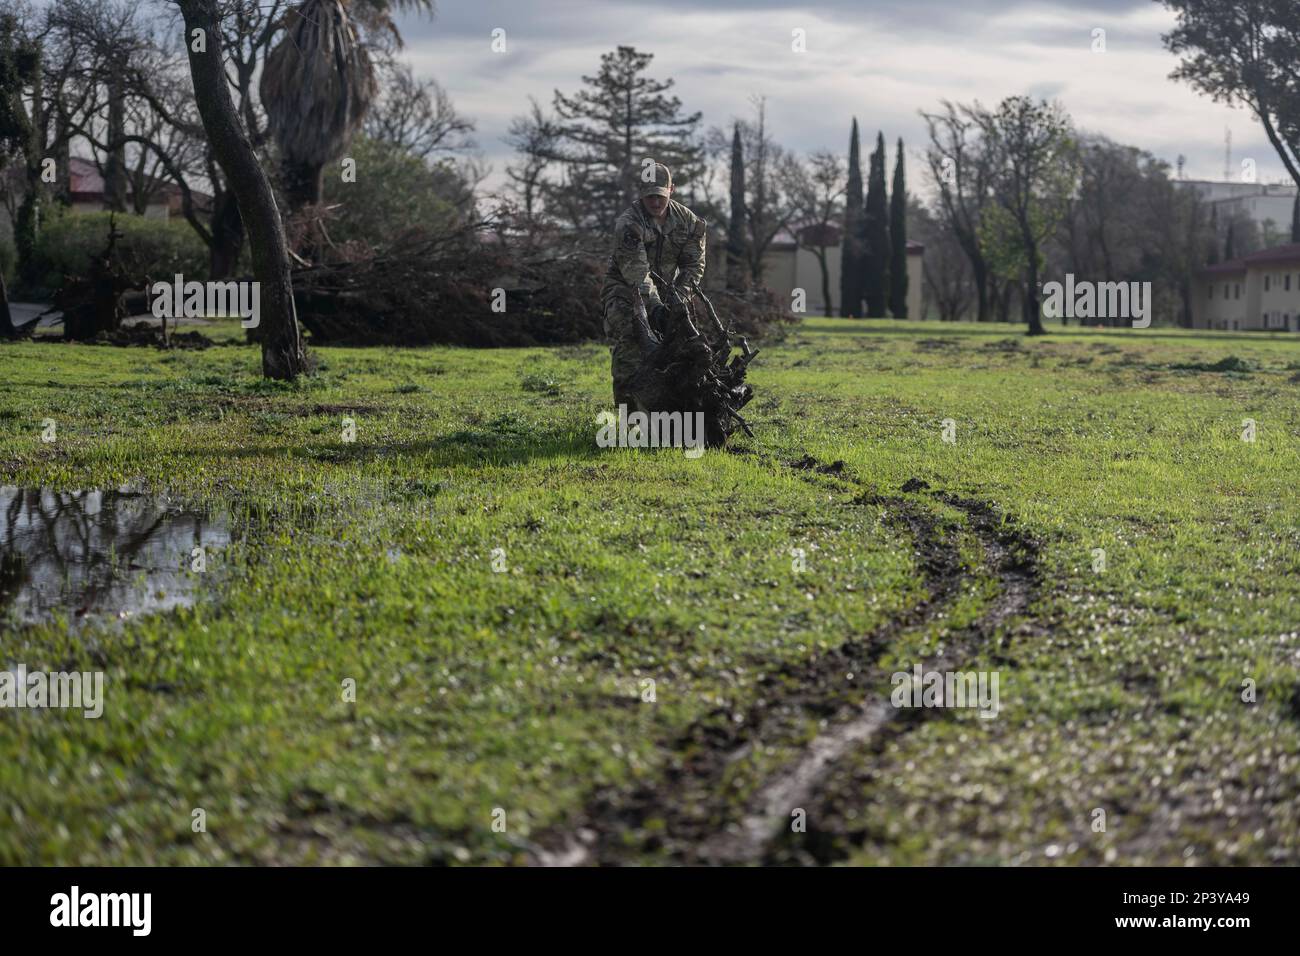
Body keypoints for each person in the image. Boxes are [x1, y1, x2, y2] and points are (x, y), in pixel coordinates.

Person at [599, 162, 707, 410]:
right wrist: (656, 307)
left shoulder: (690, 223)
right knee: (630, 346)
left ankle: (671, 415)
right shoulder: (628, 224)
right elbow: (636, 272)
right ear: (640, 193)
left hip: (669, 295)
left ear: (672, 189)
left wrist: (676, 302)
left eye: (660, 195)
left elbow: (693, 266)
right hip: (625, 292)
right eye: (649, 196)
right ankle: (630, 420)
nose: (655, 202)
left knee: (679, 350)